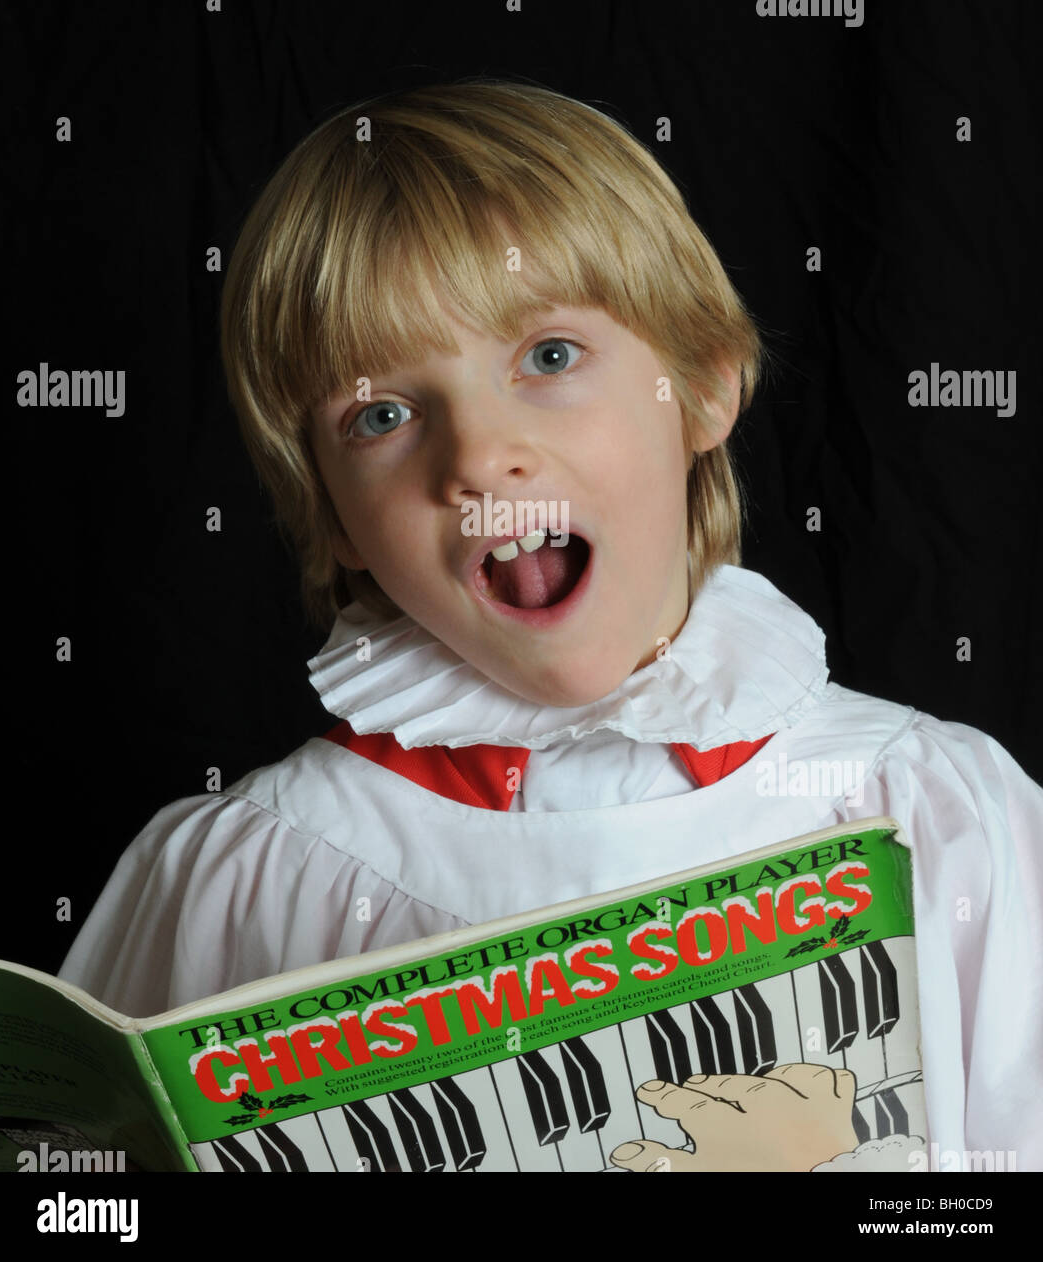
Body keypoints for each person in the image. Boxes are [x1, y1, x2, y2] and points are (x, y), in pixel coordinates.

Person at [59, 80, 1042, 1171]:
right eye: (382, 415)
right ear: (334, 517)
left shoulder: (943, 813)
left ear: (706, 384)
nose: (479, 455)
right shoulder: (241, 877)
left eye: (550, 358)